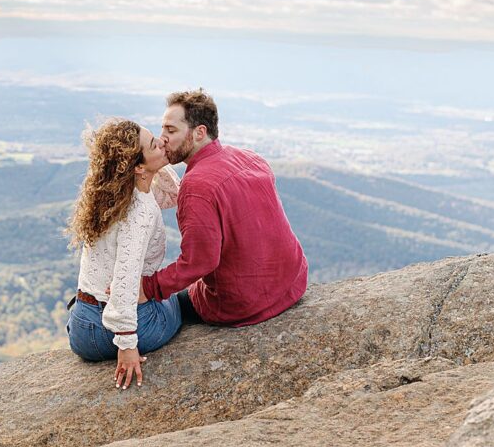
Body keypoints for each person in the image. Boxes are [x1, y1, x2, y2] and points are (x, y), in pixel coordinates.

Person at [139, 89, 310, 326]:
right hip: (292, 281)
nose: (162, 139)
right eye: (162, 129)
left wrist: (149, 287)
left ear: (200, 132)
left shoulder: (197, 185)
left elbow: (198, 262)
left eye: (171, 130)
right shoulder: (250, 158)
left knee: (165, 305)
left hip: (242, 305)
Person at [65, 119, 183, 389]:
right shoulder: (139, 211)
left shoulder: (112, 197)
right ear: (137, 166)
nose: (163, 142)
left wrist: (154, 164)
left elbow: (170, 195)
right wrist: (127, 344)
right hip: (122, 330)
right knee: (183, 299)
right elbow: (125, 279)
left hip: (83, 329)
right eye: (155, 144)